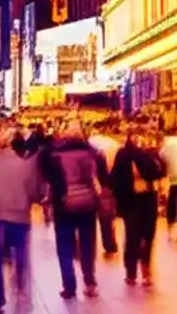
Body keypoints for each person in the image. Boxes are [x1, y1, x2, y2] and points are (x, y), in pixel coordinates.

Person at [0, 124, 43, 314]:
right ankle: (20, 284)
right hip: (19, 217)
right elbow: (34, 193)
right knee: (21, 254)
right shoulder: (25, 165)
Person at [39, 119, 108, 299]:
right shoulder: (91, 152)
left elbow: (50, 178)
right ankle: (90, 282)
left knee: (64, 246)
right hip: (87, 204)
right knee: (87, 244)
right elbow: (99, 178)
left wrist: (48, 197)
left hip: (64, 204)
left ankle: (69, 286)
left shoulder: (54, 154)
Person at [111, 124, 165, 286]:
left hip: (148, 199)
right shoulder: (124, 154)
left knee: (148, 235)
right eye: (135, 135)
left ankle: (146, 269)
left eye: (141, 134)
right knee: (133, 236)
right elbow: (115, 179)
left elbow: (158, 172)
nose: (139, 138)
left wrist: (145, 156)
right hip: (131, 201)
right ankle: (131, 271)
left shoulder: (151, 153)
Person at [88, 125, 122, 257]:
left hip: (92, 189)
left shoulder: (91, 150)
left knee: (90, 221)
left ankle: (89, 247)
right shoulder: (112, 146)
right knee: (107, 220)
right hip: (106, 188)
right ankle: (110, 246)